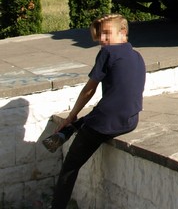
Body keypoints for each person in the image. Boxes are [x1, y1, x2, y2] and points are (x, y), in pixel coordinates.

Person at [43, 14, 146, 209]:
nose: (102, 40)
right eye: (100, 35)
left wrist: (71, 115)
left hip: (106, 124)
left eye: (107, 34)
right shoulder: (137, 56)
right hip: (131, 120)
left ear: (123, 33)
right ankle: (69, 130)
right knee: (95, 114)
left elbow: (88, 91)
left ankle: (57, 206)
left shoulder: (107, 53)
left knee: (70, 167)